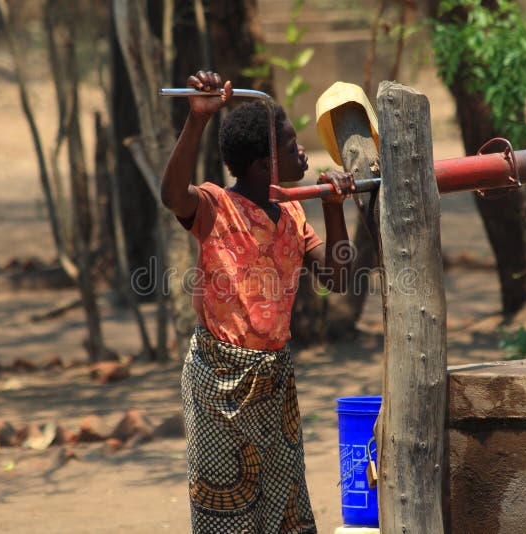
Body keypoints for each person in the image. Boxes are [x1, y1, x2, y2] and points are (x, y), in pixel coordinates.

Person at [161, 70, 356, 534]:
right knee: (226, 513)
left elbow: (338, 276)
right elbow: (172, 195)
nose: (302, 152)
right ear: (261, 165)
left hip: (273, 383)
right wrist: (197, 119)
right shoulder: (214, 207)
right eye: (291, 147)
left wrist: (333, 209)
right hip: (217, 385)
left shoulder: (291, 210)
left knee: (283, 509)